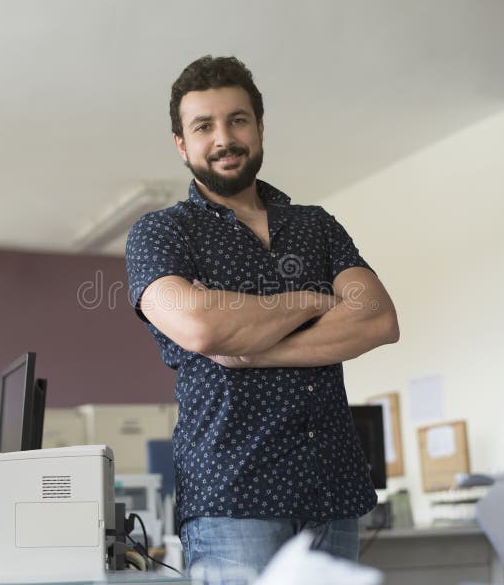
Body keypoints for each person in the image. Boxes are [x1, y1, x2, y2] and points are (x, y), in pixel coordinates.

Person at [125, 55, 399, 578]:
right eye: (203, 126)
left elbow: (378, 319)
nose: (224, 137)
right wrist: (315, 300)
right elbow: (201, 327)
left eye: (238, 120)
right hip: (234, 495)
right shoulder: (160, 234)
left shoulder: (316, 226)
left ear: (260, 127)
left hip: (332, 489)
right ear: (182, 144)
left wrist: (249, 347)